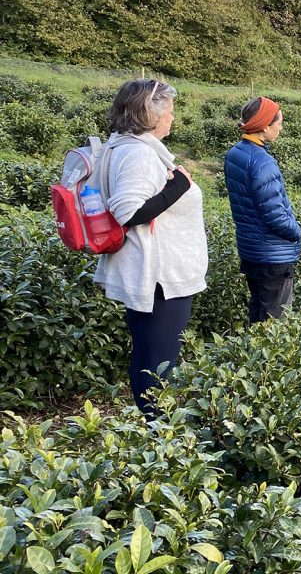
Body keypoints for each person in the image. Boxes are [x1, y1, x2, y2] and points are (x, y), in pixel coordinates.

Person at [93, 79, 207, 418]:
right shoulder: (139, 154)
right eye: (169, 111)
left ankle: (150, 428)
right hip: (159, 277)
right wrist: (180, 186)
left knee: (146, 356)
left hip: (151, 272)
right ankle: (161, 438)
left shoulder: (127, 147)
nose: (173, 118)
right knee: (159, 364)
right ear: (150, 114)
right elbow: (127, 211)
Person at [224, 97, 301, 324]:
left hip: (251, 249)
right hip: (272, 253)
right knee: (274, 323)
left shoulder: (236, 153)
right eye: (279, 122)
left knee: (258, 310)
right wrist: (296, 232)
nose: (281, 127)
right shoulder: (262, 162)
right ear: (265, 125)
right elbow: (275, 214)